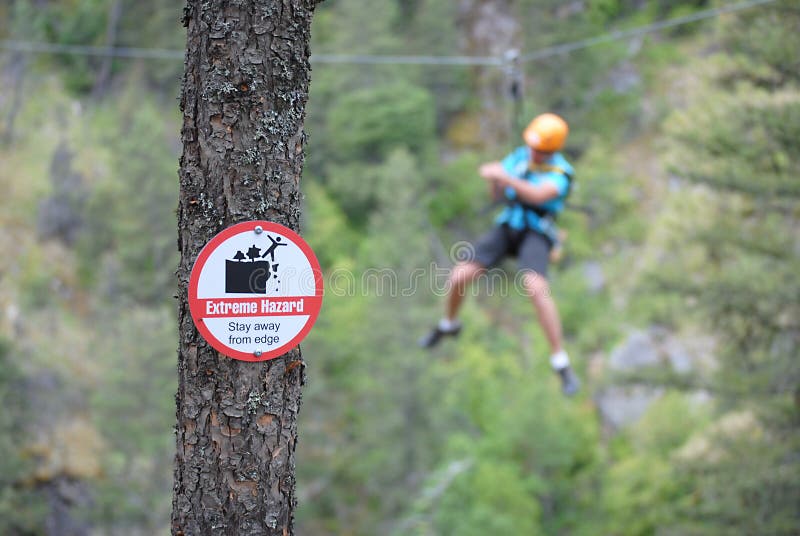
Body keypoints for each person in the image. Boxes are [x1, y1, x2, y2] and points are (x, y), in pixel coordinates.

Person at [419, 113, 580, 396]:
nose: (533, 153)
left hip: (536, 231)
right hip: (509, 225)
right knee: (460, 275)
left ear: (551, 150)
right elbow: (498, 196)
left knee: (536, 287)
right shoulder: (519, 157)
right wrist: (494, 181)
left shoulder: (561, 173)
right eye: (532, 147)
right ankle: (449, 324)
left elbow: (538, 195)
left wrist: (503, 176)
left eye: (539, 150)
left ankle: (560, 360)